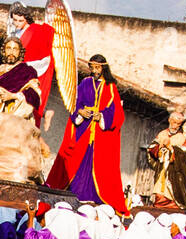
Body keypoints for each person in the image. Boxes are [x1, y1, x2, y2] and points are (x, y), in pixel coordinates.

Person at [46, 54, 127, 214]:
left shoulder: (111, 88)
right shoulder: (85, 83)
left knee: (98, 166)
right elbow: (75, 103)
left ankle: (95, 199)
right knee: (77, 161)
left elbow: (117, 113)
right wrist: (80, 112)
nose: (95, 70)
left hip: (100, 136)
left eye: (97, 67)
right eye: (92, 67)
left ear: (103, 68)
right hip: (83, 131)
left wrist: (102, 116)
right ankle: (74, 194)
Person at [7, 2, 54, 126]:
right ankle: (44, 113)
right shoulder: (14, 33)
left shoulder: (35, 30)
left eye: (20, 20)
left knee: (27, 99)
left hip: (31, 69)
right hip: (17, 70)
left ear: (26, 19)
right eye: (15, 20)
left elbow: (43, 48)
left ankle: (44, 113)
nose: (17, 23)